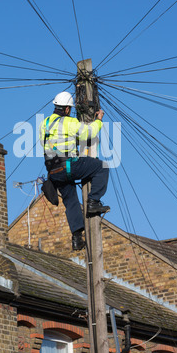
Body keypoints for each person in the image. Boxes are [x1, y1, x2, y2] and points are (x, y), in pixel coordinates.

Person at [39, 91, 110, 251]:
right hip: (69, 166)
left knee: (71, 201)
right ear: (66, 109)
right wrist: (98, 120)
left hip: (54, 173)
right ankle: (93, 202)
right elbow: (88, 133)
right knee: (102, 167)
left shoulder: (45, 124)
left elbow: (57, 140)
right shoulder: (69, 122)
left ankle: (77, 237)